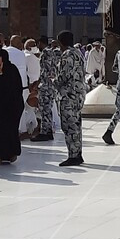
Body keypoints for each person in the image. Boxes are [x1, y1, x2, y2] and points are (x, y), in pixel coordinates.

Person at [54, 30, 87, 167]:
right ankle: (77, 153)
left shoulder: (67, 54)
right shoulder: (78, 53)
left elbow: (64, 76)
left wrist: (53, 81)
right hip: (79, 93)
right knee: (77, 124)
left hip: (68, 94)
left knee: (69, 125)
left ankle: (73, 155)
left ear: (61, 42)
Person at [0, 49, 23, 164]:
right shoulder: (8, 69)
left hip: (7, 107)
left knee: (3, 131)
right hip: (1, 107)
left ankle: (1, 155)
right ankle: (7, 153)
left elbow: (7, 88)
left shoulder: (10, 70)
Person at [32, 38, 59, 143]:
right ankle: (48, 131)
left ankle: (45, 132)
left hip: (46, 85)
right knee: (48, 109)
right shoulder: (52, 52)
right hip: (51, 85)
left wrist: (37, 82)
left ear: (40, 43)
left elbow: (45, 70)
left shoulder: (45, 53)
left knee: (44, 109)